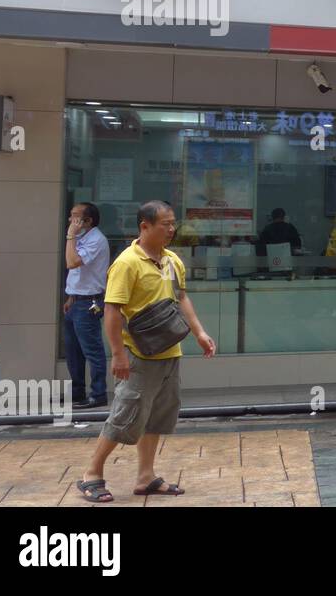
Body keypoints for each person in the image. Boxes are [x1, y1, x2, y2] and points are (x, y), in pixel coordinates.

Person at [79, 200, 217, 504]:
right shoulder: (127, 263)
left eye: (172, 223)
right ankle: (91, 473)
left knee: (156, 416)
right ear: (144, 226)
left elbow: (181, 298)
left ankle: (145, 477)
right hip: (138, 354)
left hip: (169, 352)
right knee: (124, 415)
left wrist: (200, 333)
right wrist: (118, 354)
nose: (171, 229)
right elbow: (112, 310)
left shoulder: (172, 261)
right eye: (165, 224)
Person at [63, 203, 111, 409]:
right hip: (75, 301)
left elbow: (72, 262)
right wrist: (70, 297)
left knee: (92, 350)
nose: (70, 221)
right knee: (73, 351)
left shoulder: (96, 240)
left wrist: (70, 236)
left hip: (89, 302)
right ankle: (77, 393)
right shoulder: (81, 238)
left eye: (75, 217)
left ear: (88, 221)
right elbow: (76, 273)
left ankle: (98, 393)